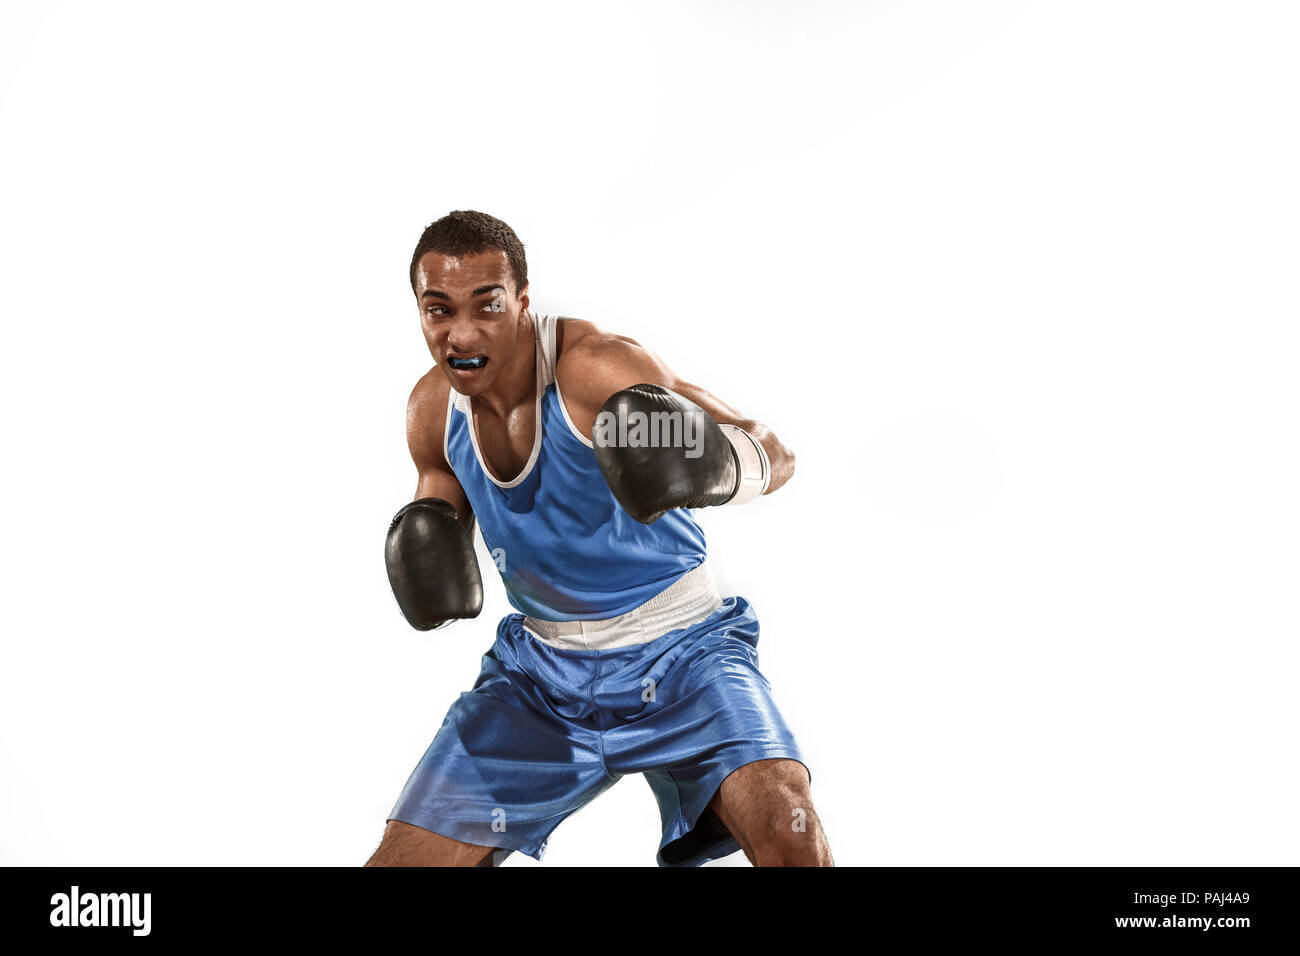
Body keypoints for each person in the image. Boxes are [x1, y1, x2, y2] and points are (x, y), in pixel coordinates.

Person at [366, 210, 833, 867]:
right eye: (438, 310)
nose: (461, 332)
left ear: (522, 302)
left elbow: (773, 451)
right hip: (541, 681)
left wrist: (717, 465)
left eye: (488, 305)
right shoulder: (431, 411)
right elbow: (438, 511)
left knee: (792, 835)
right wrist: (426, 539)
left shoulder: (595, 370)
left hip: (684, 657)